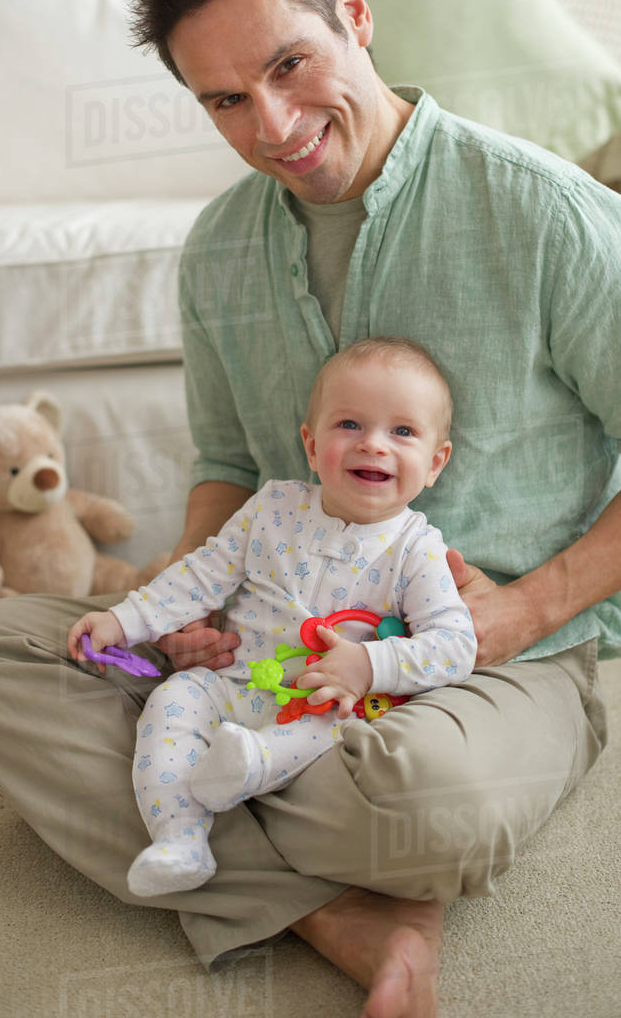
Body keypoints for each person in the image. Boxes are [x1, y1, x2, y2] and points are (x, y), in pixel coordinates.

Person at [0, 0, 621, 1018]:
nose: (271, 124)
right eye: (224, 99)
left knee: (427, 805)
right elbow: (224, 459)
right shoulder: (220, 249)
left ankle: (235, 828)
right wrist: (180, 609)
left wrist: (512, 618)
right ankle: (341, 906)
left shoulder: (548, 214)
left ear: (353, 13)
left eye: (290, 65)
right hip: (261, 653)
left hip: (489, 663)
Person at [67, 337, 476, 897]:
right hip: (236, 682)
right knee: (174, 698)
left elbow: (455, 645)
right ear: (311, 446)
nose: (373, 446)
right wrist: (121, 621)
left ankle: (246, 768)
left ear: (435, 462)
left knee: (335, 728)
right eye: (349, 425)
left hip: (323, 705)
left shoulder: (416, 548)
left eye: (402, 432)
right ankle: (180, 837)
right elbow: (199, 575)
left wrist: (369, 664)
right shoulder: (273, 508)